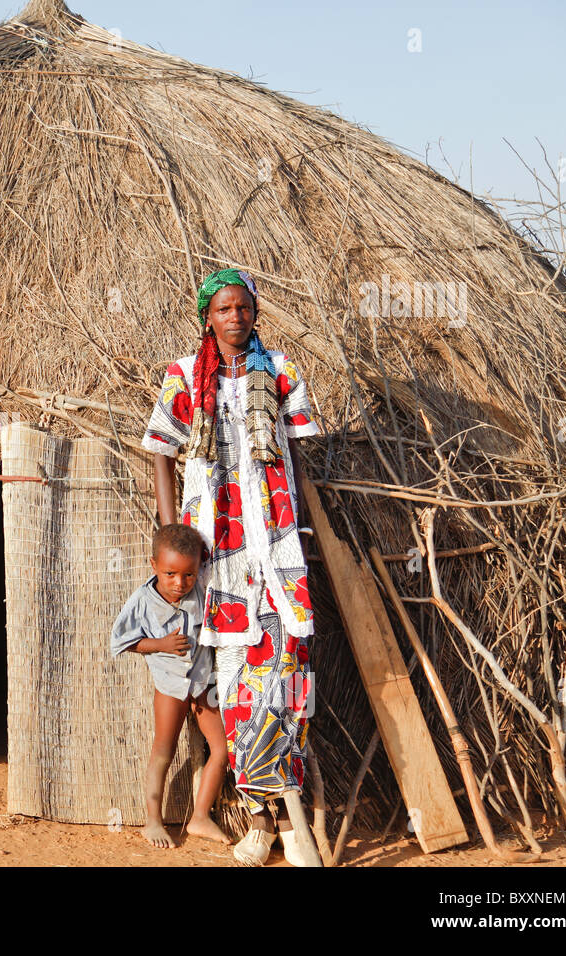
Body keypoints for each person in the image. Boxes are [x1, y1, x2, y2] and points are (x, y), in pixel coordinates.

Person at [142, 267, 320, 866]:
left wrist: (294, 519)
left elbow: (294, 451)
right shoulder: (185, 377)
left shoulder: (284, 371)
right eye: (223, 309)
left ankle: (291, 823)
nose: (235, 317)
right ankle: (261, 819)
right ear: (207, 318)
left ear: (255, 313)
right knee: (235, 687)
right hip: (217, 560)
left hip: (276, 550)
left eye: (243, 307)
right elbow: (163, 453)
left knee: (289, 680)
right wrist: (175, 538)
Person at [110, 523, 229, 849]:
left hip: (203, 683)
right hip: (170, 686)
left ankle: (200, 817)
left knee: (221, 748)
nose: (180, 583)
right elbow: (121, 642)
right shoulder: (143, 601)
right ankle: (153, 821)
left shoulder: (201, 593)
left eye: (188, 575)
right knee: (163, 751)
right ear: (154, 567)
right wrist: (160, 644)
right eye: (170, 574)